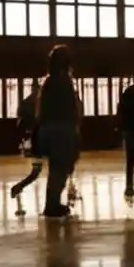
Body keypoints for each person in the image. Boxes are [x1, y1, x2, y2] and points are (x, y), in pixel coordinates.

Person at [36, 46, 82, 218]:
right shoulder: (64, 81)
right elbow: (70, 108)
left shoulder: (48, 82)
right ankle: (52, 205)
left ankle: (52, 202)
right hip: (62, 129)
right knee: (61, 168)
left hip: (49, 128)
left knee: (56, 168)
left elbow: (42, 110)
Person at [9, 80, 44, 215]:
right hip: (41, 141)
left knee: (36, 171)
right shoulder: (41, 104)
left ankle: (18, 187)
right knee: (43, 170)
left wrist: (23, 139)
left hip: (33, 141)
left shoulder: (25, 103)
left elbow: (19, 123)